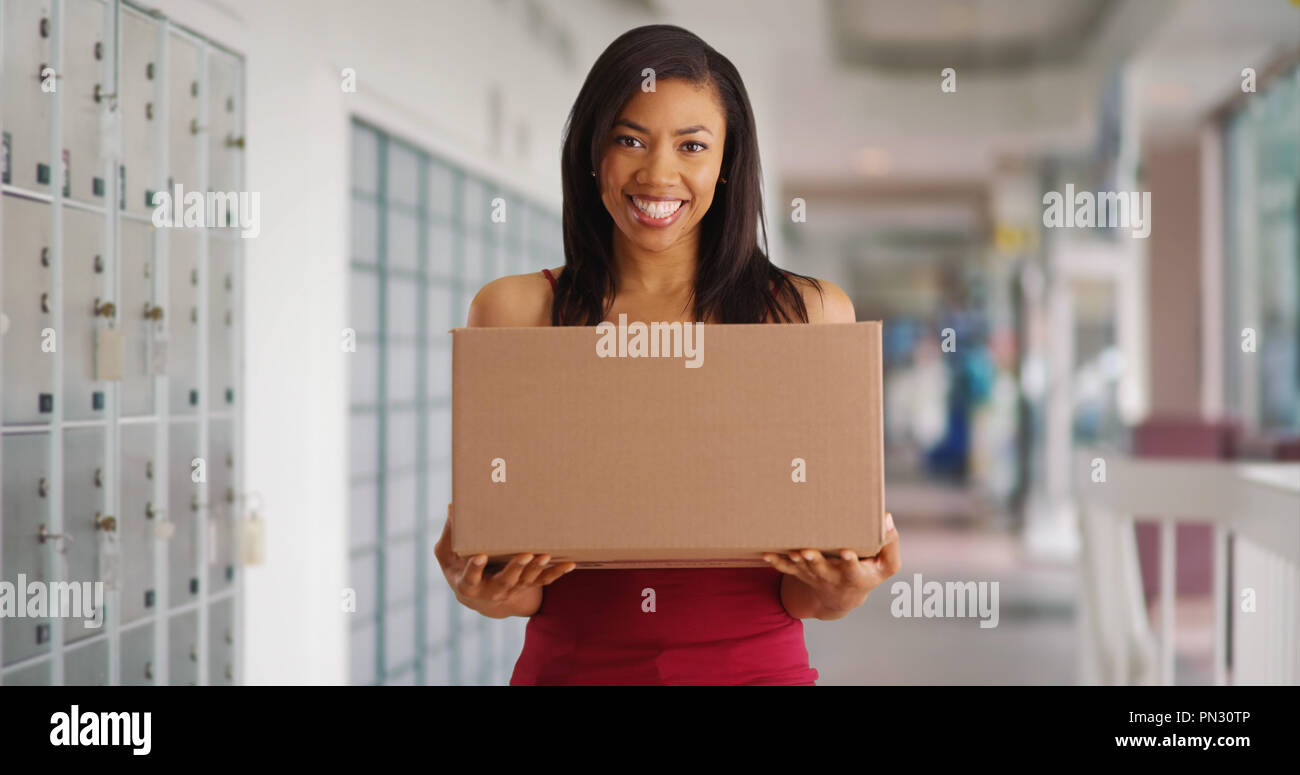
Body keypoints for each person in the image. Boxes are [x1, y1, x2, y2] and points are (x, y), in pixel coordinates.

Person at [433, 24, 901, 685]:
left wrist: (844, 588)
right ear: (592, 153)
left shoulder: (806, 315)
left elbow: (802, 590)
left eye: (693, 145)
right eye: (630, 139)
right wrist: (485, 588)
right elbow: (522, 578)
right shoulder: (516, 314)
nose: (658, 173)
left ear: (727, 162)